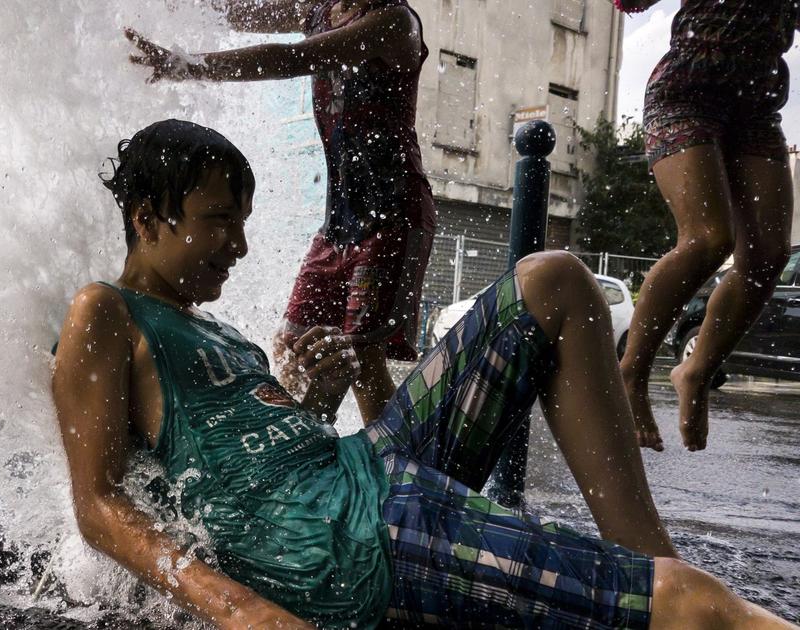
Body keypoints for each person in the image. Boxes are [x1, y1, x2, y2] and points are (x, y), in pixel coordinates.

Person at [52, 119, 797, 629]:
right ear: (146, 218)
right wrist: (238, 610)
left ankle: (645, 566)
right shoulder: (103, 312)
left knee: (555, 280)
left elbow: (245, 465)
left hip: (361, 475)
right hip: (342, 541)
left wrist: (316, 402)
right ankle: (664, 605)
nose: (239, 245)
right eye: (218, 220)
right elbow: (100, 506)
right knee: (696, 604)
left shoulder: (216, 332)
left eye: (243, 222)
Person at [124, 0, 437, 423]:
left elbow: (293, 57)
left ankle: (393, 461)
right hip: (339, 224)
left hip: (394, 216)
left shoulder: (393, 21)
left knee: (362, 356)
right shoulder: (322, 10)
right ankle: (294, 440)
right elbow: (244, 13)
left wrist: (190, 66)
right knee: (293, 345)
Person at [613, 0, 797, 452]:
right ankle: (631, 372)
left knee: (769, 255)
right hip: (685, 95)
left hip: (756, 108)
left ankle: (696, 370)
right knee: (709, 239)